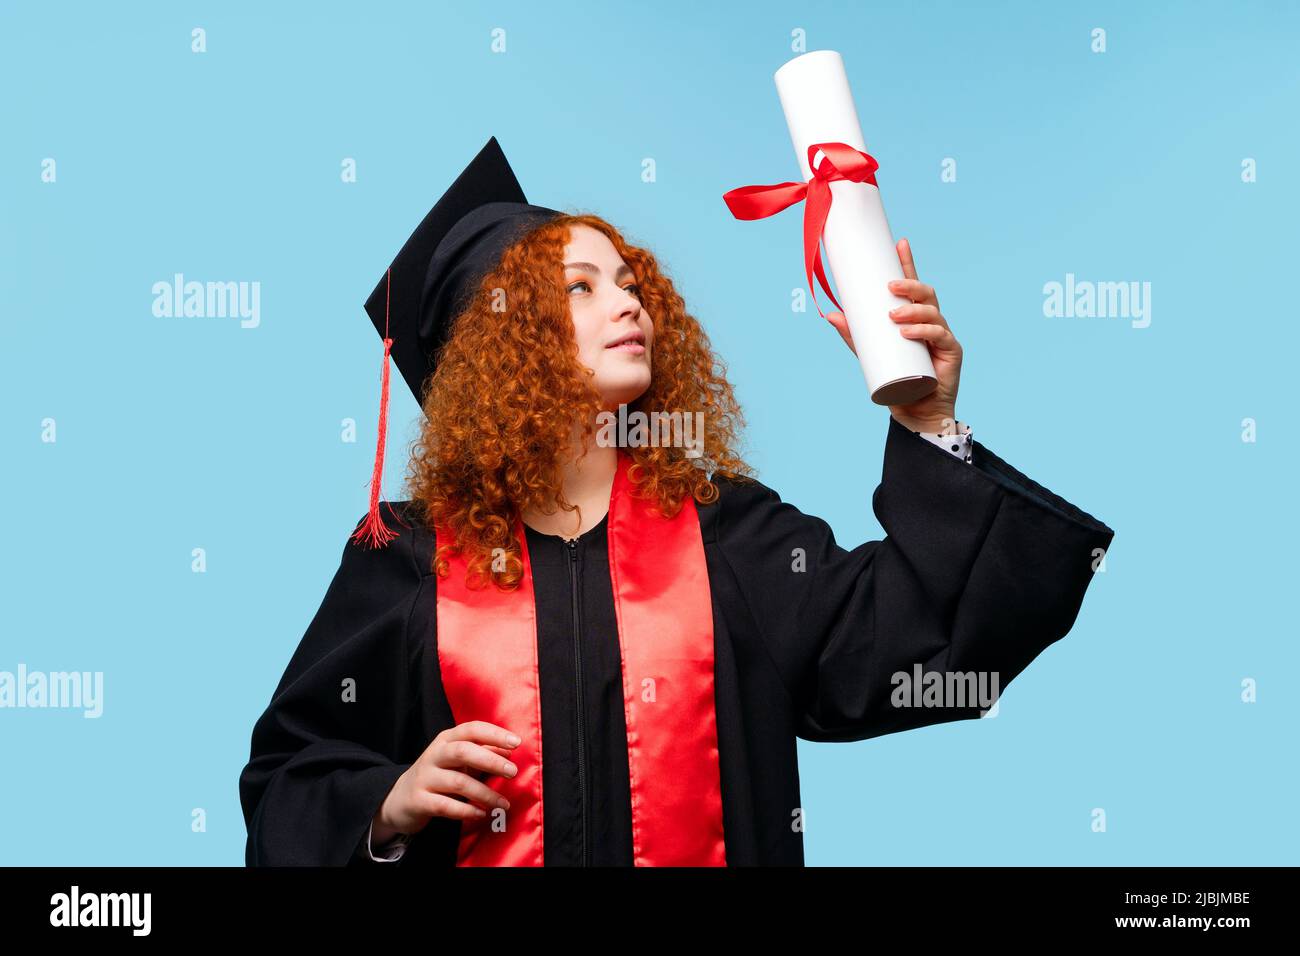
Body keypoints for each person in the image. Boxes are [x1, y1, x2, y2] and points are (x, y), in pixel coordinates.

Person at [238, 136, 1115, 866]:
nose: (630, 305)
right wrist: (384, 807)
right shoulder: (409, 561)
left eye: (630, 283)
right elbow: (289, 776)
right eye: (581, 287)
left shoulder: (721, 530)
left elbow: (919, 647)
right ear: (502, 342)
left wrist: (931, 425)